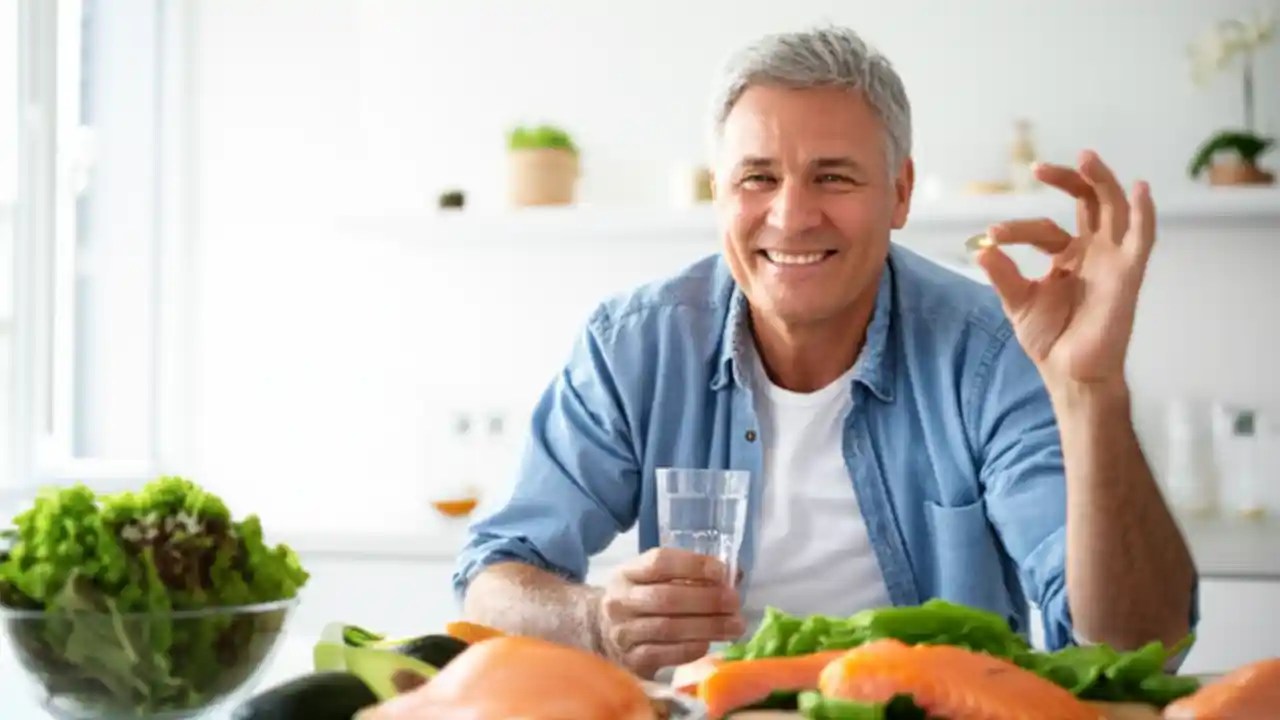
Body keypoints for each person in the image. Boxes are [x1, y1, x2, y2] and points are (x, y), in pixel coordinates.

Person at [452, 25, 1198, 680]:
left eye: (833, 177)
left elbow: (1139, 646)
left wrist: (1093, 393)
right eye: (758, 177)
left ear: (900, 194)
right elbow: (490, 580)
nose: (792, 215)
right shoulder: (634, 344)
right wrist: (595, 622)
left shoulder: (992, 351)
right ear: (720, 193)